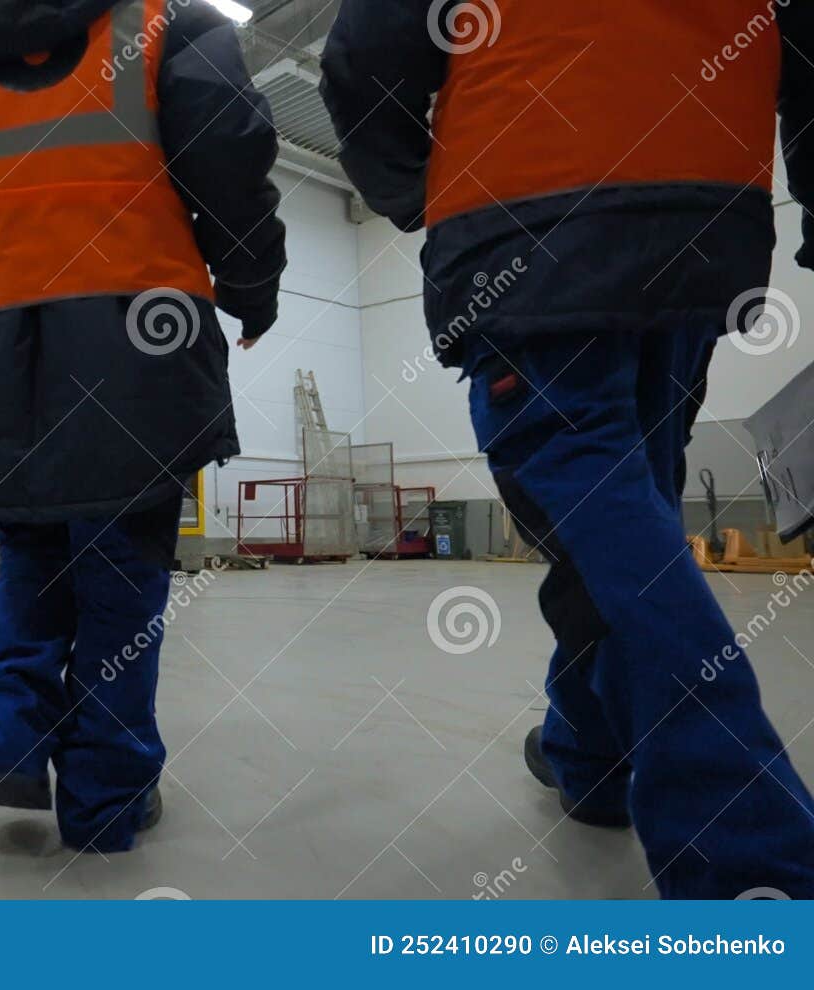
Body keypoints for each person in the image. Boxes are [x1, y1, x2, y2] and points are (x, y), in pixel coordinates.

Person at [321, 0, 814, 898]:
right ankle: (587, 754)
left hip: (534, 207)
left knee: (592, 498)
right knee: (626, 512)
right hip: (707, 215)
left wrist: (407, 193)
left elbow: (367, 53)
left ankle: (752, 856)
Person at [0, 0, 286, 853]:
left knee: (32, 553)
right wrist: (253, 288)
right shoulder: (171, 28)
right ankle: (105, 796)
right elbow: (230, 151)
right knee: (121, 576)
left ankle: (13, 734)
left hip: (5, 348)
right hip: (138, 339)